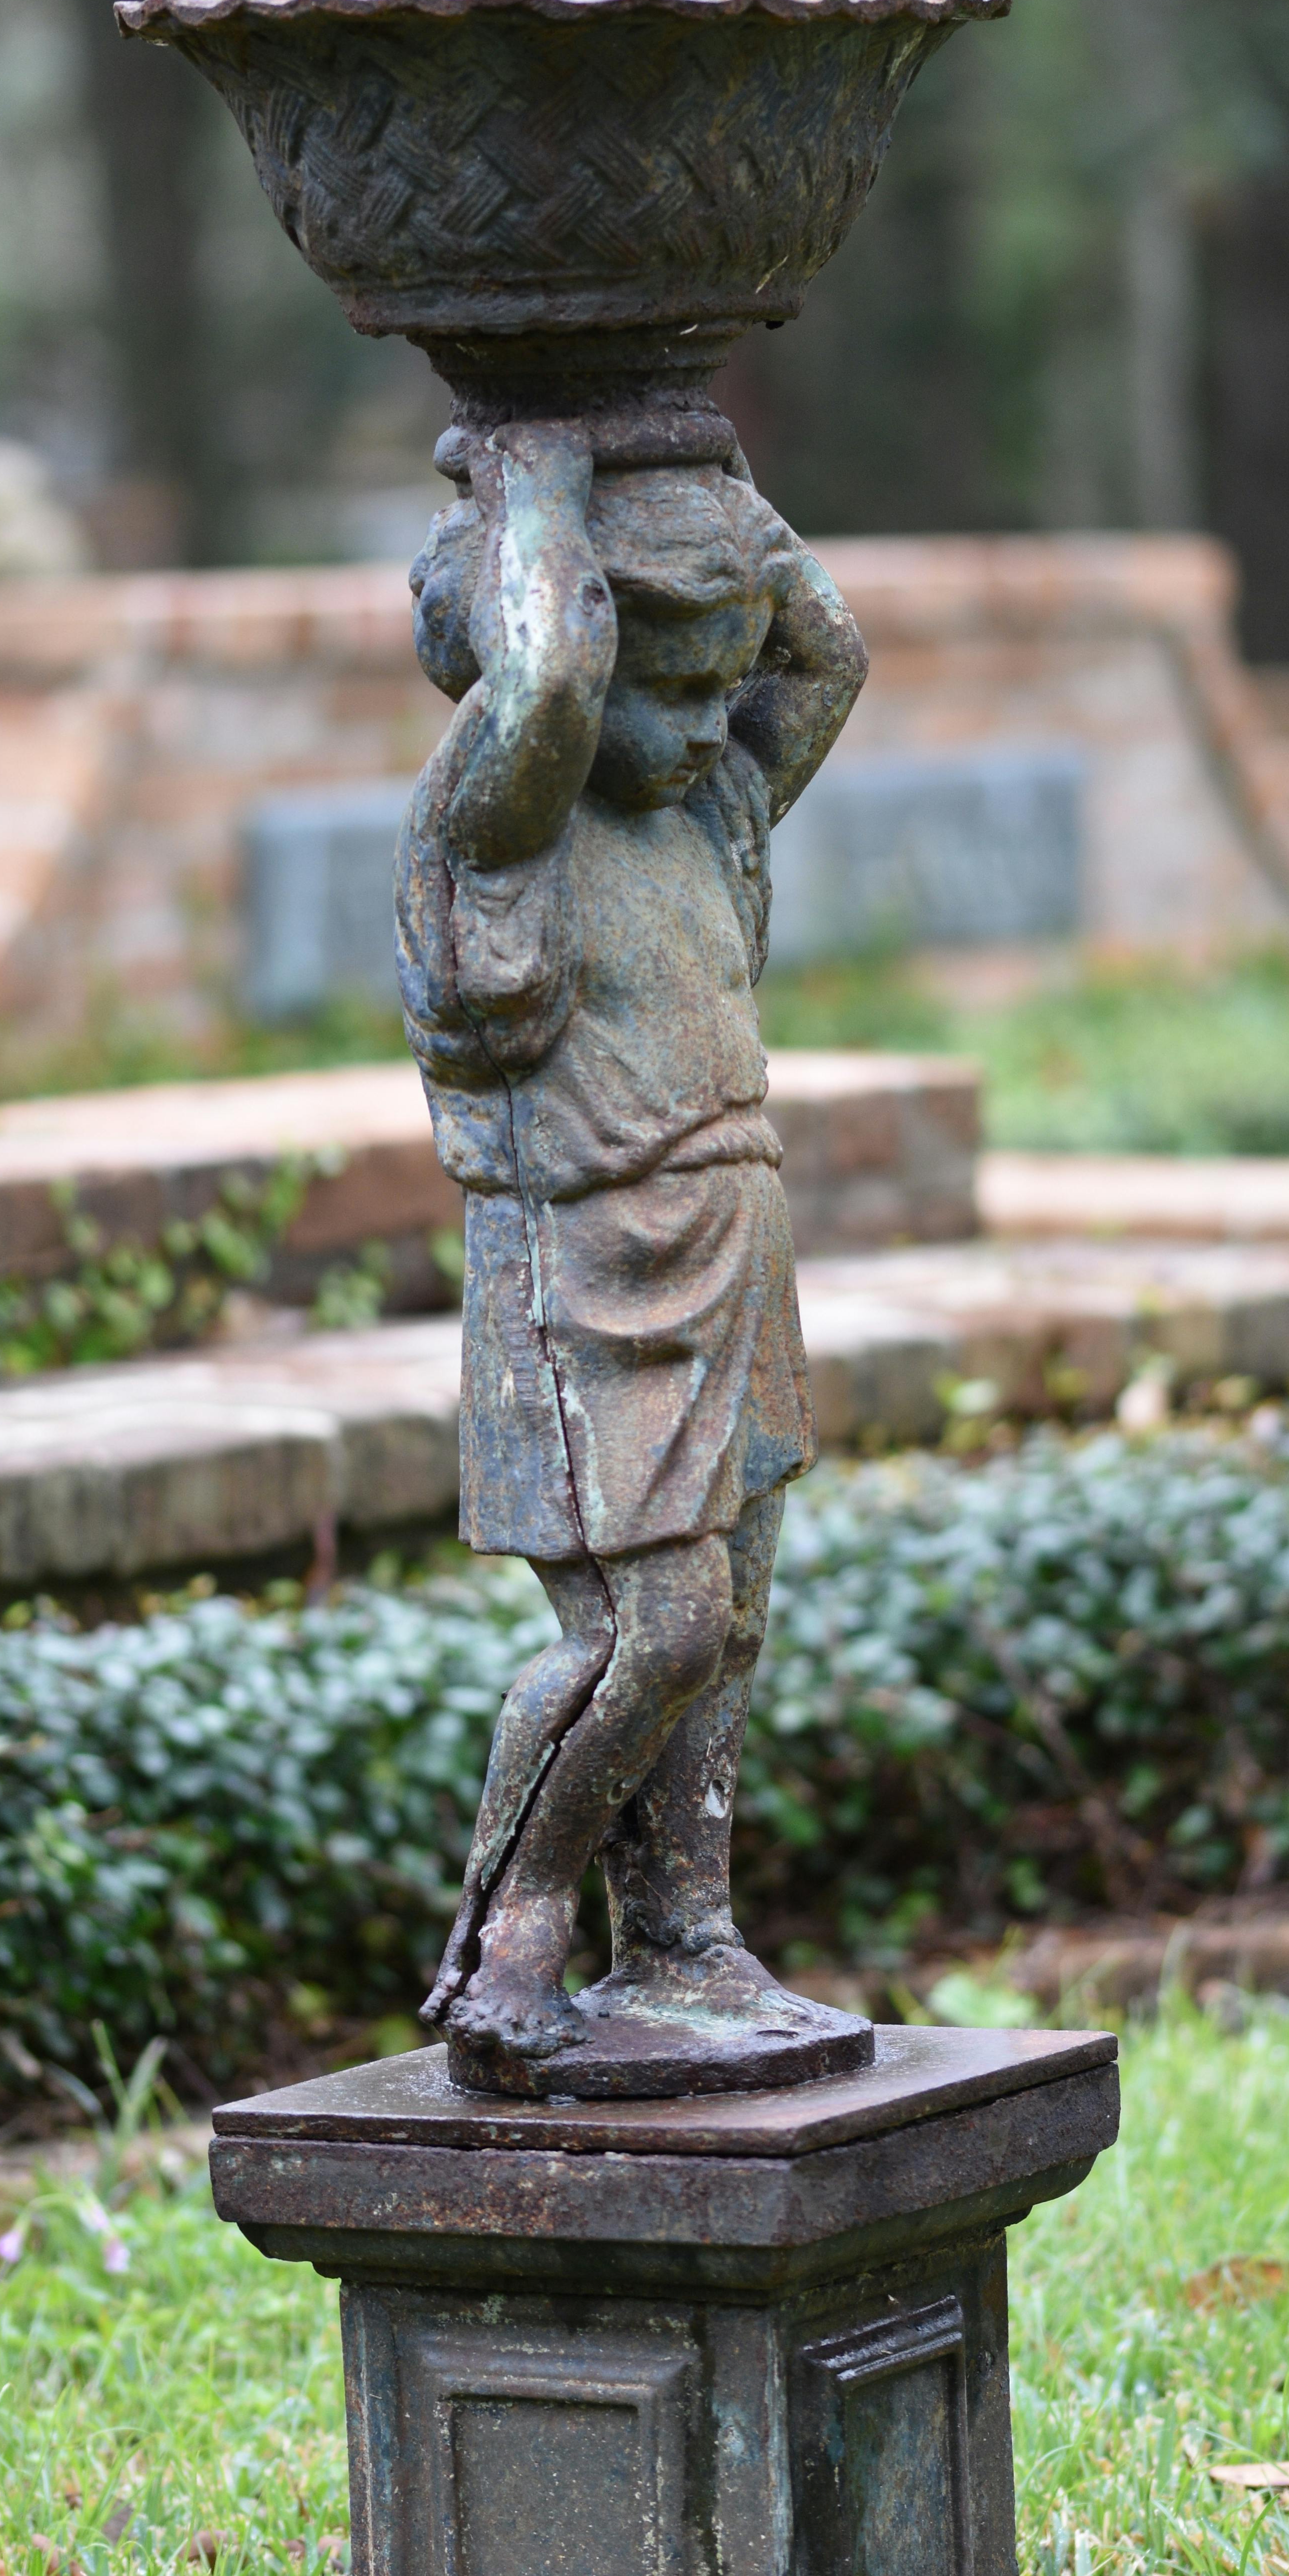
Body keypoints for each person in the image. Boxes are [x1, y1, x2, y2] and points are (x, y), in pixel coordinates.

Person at [396, 415, 867, 2082]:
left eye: (708, 684)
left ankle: (684, 1939)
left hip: (735, 1240)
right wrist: (538, 479)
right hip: (585, 1280)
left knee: (726, 1622)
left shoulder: (702, 813)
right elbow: (544, 688)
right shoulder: (493, 842)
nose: (696, 726)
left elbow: (826, 654)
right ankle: (508, 1942)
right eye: (657, 691)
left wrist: (715, 476)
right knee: (640, 1632)